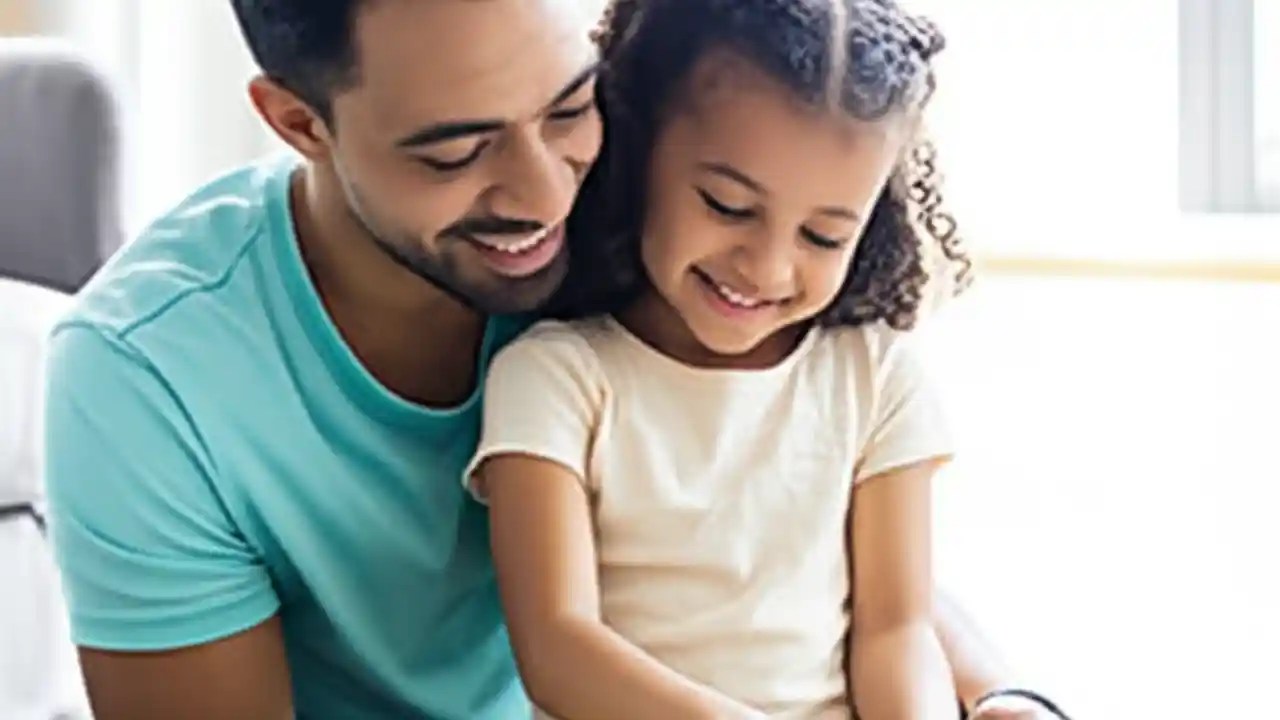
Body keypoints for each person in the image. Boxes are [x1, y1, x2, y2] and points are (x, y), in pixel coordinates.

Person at [41, 0, 1064, 718]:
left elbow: (790, 541)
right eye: (456, 152)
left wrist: (998, 693)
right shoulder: (147, 376)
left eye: (571, 107)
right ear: (299, 122)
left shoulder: (651, 220)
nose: (542, 196)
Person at [464, 1, 1072, 719]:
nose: (767, 267)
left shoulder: (875, 376)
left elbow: (895, 629)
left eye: (823, 236)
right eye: (728, 205)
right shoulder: (554, 379)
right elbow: (559, 651)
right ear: (637, 149)